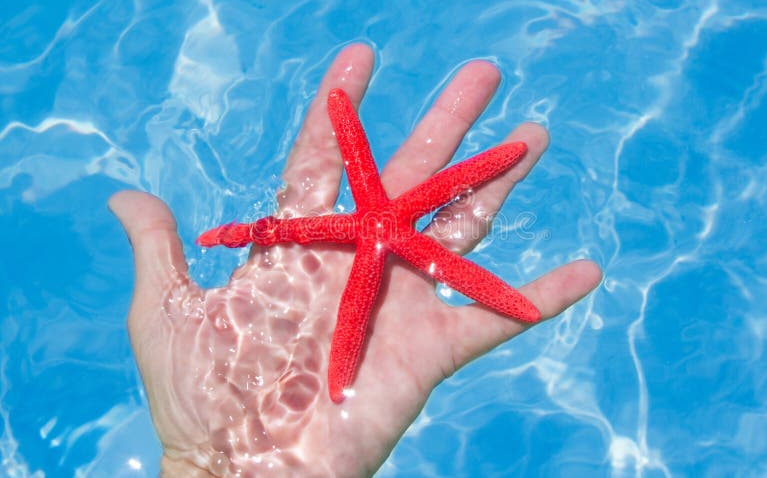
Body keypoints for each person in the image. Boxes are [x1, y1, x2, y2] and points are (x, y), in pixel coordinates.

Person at [109, 43, 602, 477]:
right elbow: (299, 226)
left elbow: (298, 223)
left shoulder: (373, 222)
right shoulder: (374, 229)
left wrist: (204, 467)